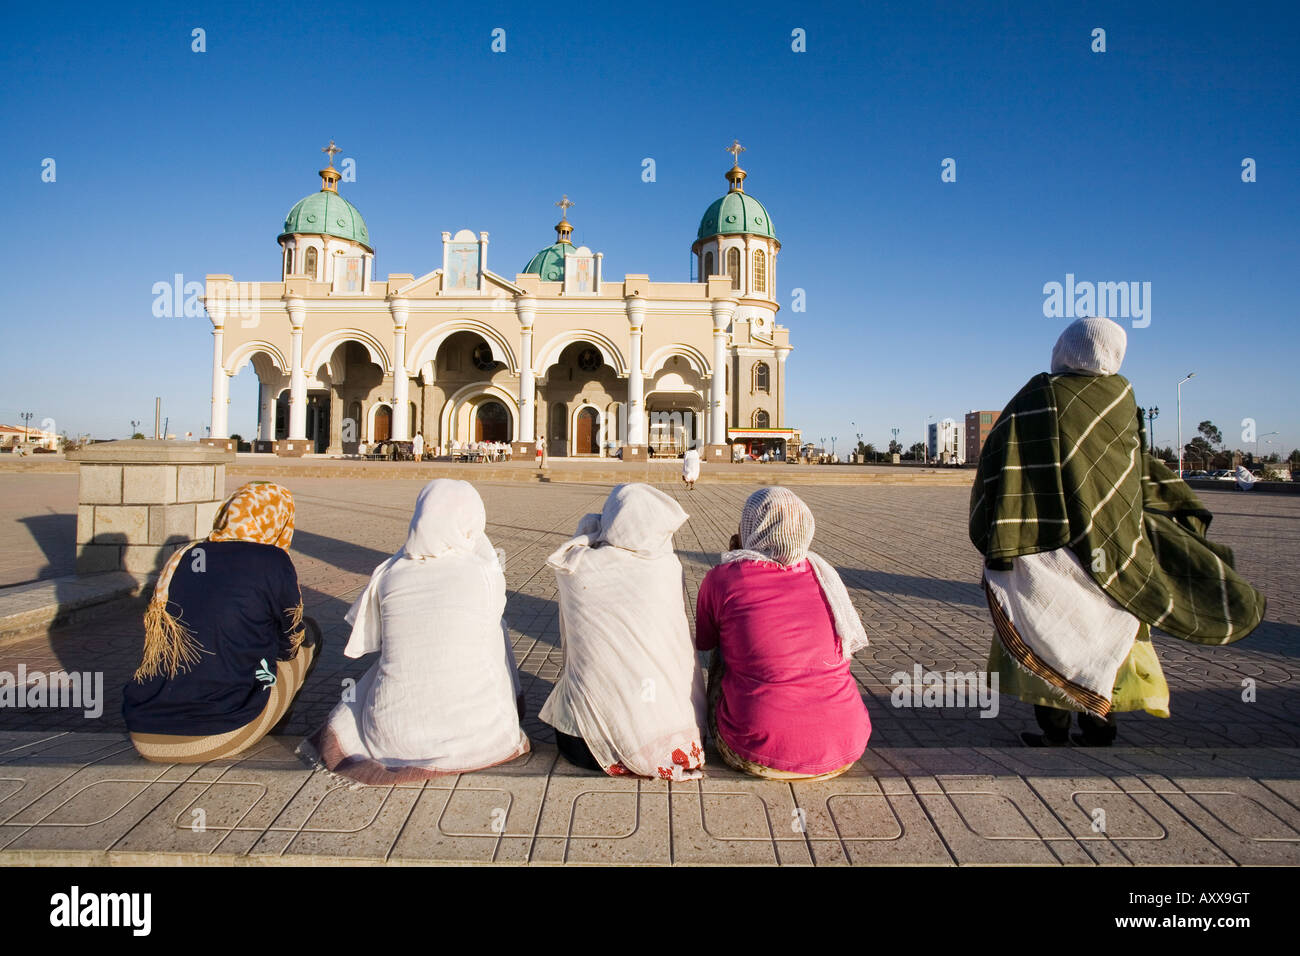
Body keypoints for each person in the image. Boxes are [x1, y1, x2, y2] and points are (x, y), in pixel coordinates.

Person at [971, 317, 1266, 747]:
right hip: (1116, 542)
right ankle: (1101, 726)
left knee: (1053, 630)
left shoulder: (1040, 395)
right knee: (1109, 630)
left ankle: (1054, 730)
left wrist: (1002, 531)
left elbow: (1001, 459)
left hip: (1047, 541)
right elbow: (1132, 465)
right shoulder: (1123, 398)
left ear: (1065, 348)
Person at [301, 480, 529, 784]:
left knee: (399, 655)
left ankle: (406, 724)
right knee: (493, 629)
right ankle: (511, 706)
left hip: (386, 735)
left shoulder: (391, 573)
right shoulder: (482, 571)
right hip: (478, 740)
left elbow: (377, 639)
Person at [123, 482, 322, 763]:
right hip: (218, 734)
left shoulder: (184, 555)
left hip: (143, 731)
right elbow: (289, 641)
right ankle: (269, 725)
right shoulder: (273, 560)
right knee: (309, 637)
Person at [695, 488, 871, 780]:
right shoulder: (823, 574)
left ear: (750, 526)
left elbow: (705, 641)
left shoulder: (722, 577)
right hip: (847, 748)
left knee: (726, 645)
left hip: (755, 751)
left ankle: (736, 722)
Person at [540, 484, 706, 779]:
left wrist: (592, 526)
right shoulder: (668, 566)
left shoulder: (579, 568)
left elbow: (577, 546)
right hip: (673, 740)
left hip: (584, 747)